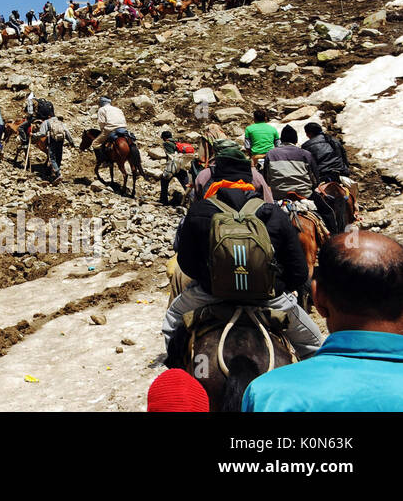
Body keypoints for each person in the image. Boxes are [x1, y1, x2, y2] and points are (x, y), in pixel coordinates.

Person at [163, 157, 324, 360]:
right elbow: (299, 271)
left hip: (211, 294)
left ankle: (178, 378)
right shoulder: (273, 212)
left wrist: (210, 281)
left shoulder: (199, 211)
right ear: (250, 181)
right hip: (269, 298)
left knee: (172, 320)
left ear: (216, 181)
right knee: (315, 345)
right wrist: (275, 285)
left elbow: (187, 263)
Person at [244, 231, 403, 411]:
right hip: (272, 300)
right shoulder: (274, 214)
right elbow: (299, 272)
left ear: (318, 298)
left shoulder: (266, 393)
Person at [33, 109, 76, 181]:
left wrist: (34, 135)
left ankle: (58, 174)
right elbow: (66, 131)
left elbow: (42, 133)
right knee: (59, 156)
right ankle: (56, 173)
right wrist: (71, 142)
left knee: (52, 158)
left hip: (52, 141)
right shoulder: (60, 122)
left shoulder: (47, 122)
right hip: (61, 141)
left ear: (48, 116)